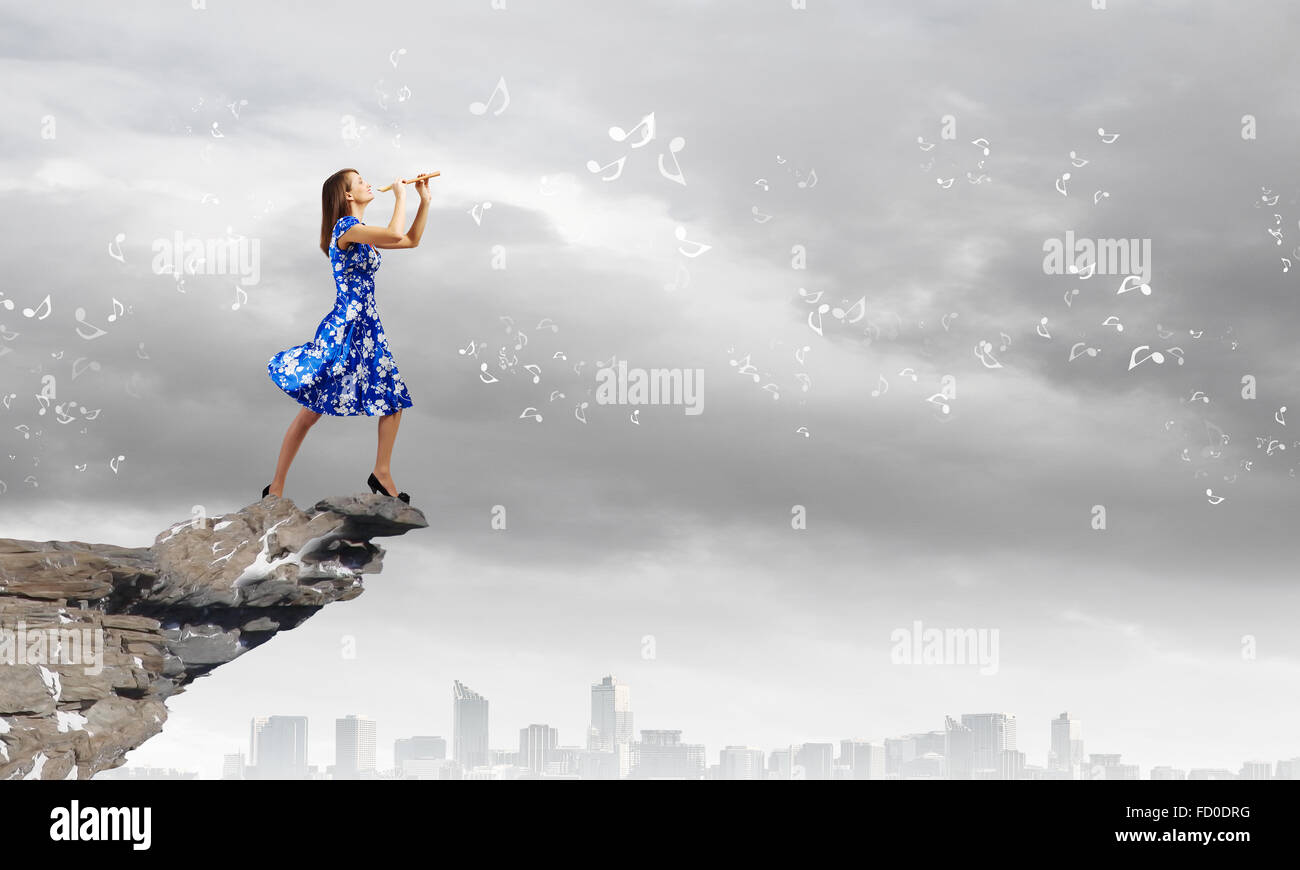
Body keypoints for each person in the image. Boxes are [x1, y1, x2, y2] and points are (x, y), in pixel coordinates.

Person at [262, 168, 432, 503]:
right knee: (311, 411)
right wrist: (400, 196)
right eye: (359, 182)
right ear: (348, 196)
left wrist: (423, 200)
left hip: (367, 328)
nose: (368, 183)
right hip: (345, 328)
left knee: (393, 398)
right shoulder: (346, 228)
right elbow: (396, 233)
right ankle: (276, 487)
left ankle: (381, 473)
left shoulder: (361, 232)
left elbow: (410, 240)